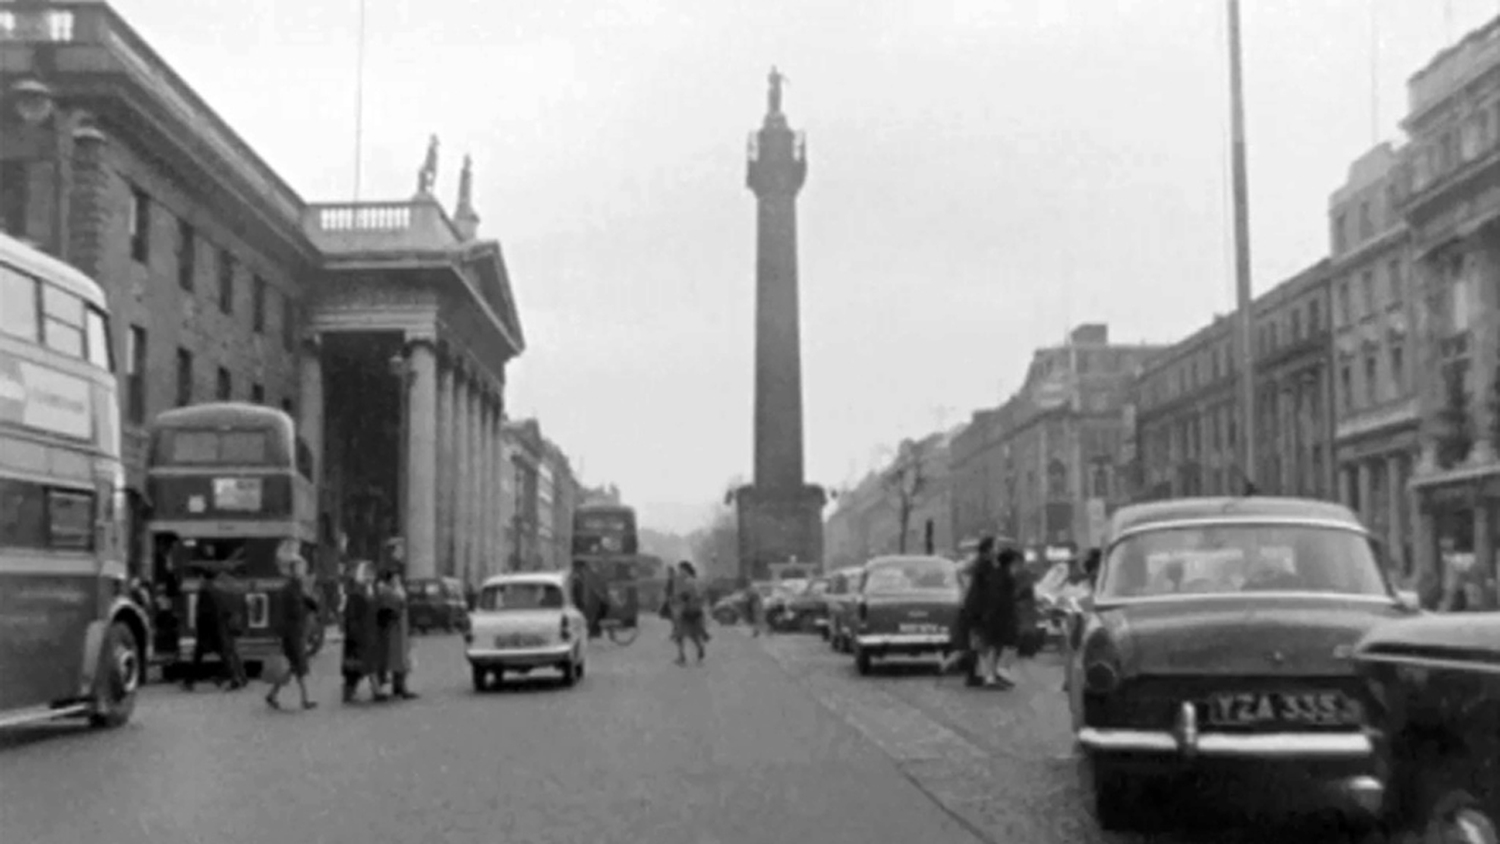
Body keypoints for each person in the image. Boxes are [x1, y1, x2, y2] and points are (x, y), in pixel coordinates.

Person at [265, 540, 317, 710]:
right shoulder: (290, 590)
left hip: (294, 632)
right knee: (299, 666)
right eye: (300, 569)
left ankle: (272, 695)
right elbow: (296, 610)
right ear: (294, 571)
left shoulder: (297, 588)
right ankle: (305, 699)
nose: (303, 572)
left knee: (292, 667)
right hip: (292, 633)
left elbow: (312, 604)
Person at [183, 567, 245, 691]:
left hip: (207, 629)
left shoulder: (205, 591)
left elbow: (204, 612)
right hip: (215, 628)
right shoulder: (216, 590)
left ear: (204, 578)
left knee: (199, 656)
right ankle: (235, 677)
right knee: (222, 654)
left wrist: (199, 629)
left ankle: (190, 681)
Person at [372, 567, 417, 700]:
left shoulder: (393, 590)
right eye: (395, 577)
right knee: (392, 660)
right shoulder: (386, 591)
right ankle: (383, 689)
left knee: (401, 659)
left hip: (398, 631)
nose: (398, 580)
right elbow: (390, 608)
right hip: (391, 631)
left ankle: (398, 686)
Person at [341, 560, 380, 703]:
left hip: (369, 634)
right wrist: (355, 633)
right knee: (354, 669)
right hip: (357, 637)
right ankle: (348, 693)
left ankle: (376, 691)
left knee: (369, 665)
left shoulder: (371, 590)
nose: (370, 576)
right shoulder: (355, 593)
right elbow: (351, 616)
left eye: (372, 574)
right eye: (367, 573)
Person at [671, 561, 707, 664]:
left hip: (686, 611)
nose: (680, 572)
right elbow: (701, 596)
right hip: (696, 611)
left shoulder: (687, 582)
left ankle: (682, 657)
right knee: (693, 634)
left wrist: (677, 600)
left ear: (685, 570)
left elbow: (682, 596)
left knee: (680, 635)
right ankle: (699, 648)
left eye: (681, 569)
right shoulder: (696, 580)